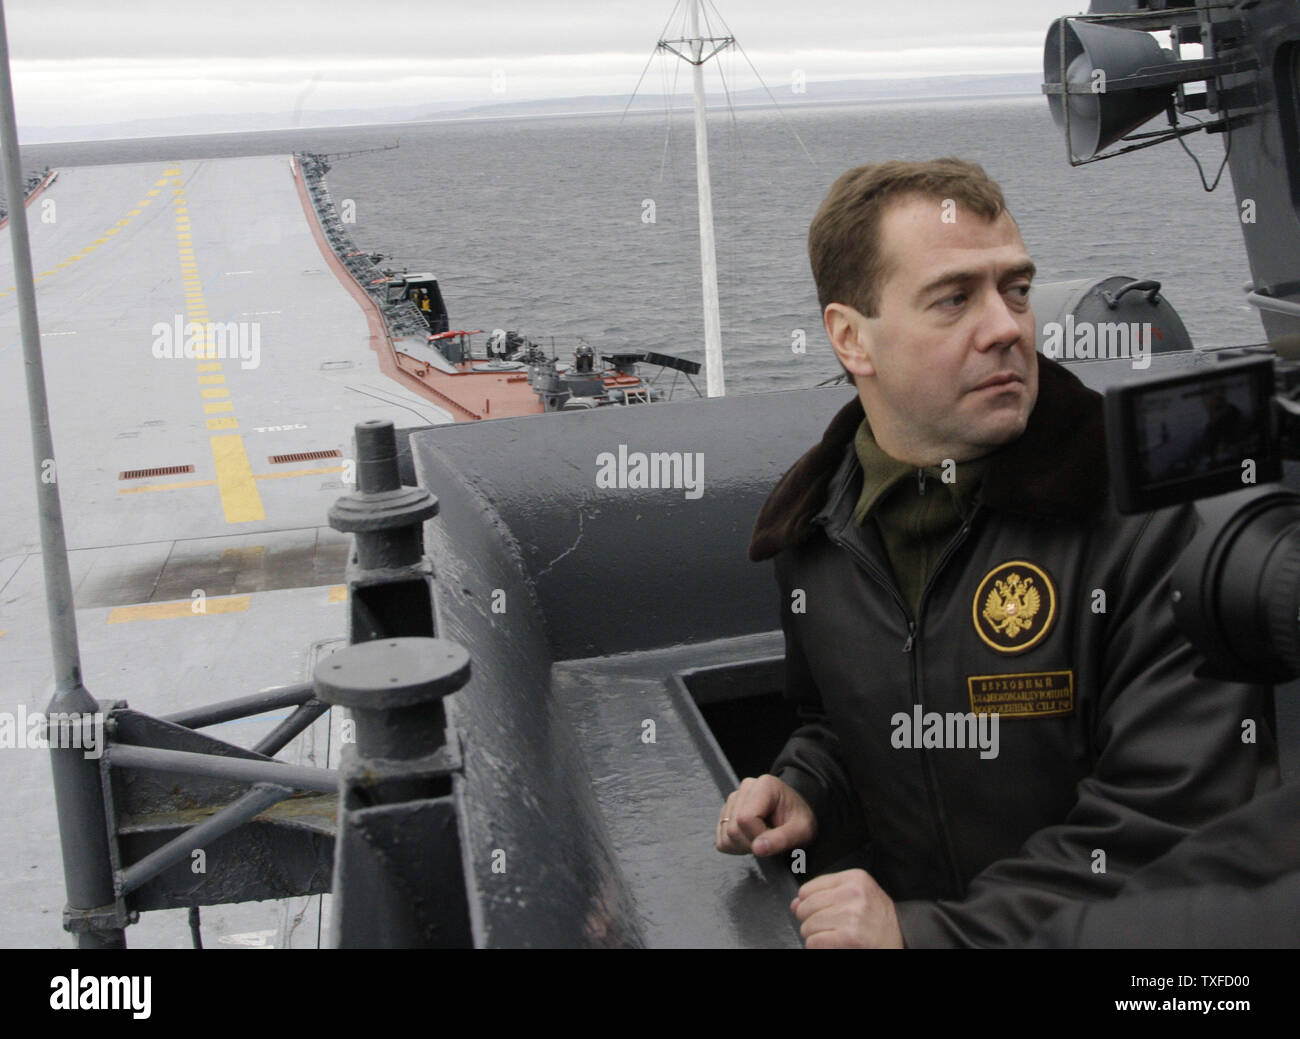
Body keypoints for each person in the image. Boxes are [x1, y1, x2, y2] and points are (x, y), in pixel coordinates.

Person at [715, 158, 1278, 948]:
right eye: (955, 298)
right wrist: (811, 789)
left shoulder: (1143, 524)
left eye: (1014, 289)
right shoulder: (818, 533)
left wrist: (933, 935)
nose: (1008, 326)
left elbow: (1168, 824)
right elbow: (841, 722)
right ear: (851, 337)